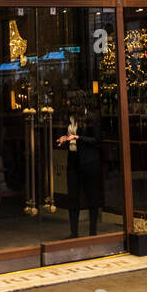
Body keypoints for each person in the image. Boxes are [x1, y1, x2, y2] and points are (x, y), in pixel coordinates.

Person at [56, 98, 102, 238]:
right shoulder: (70, 118)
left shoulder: (91, 117)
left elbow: (97, 140)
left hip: (89, 162)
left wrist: (78, 137)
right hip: (73, 161)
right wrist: (65, 138)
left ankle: (92, 232)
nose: (71, 108)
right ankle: (73, 233)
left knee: (91, 196)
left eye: (74, 105)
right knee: (72, 197)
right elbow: (72, 137)